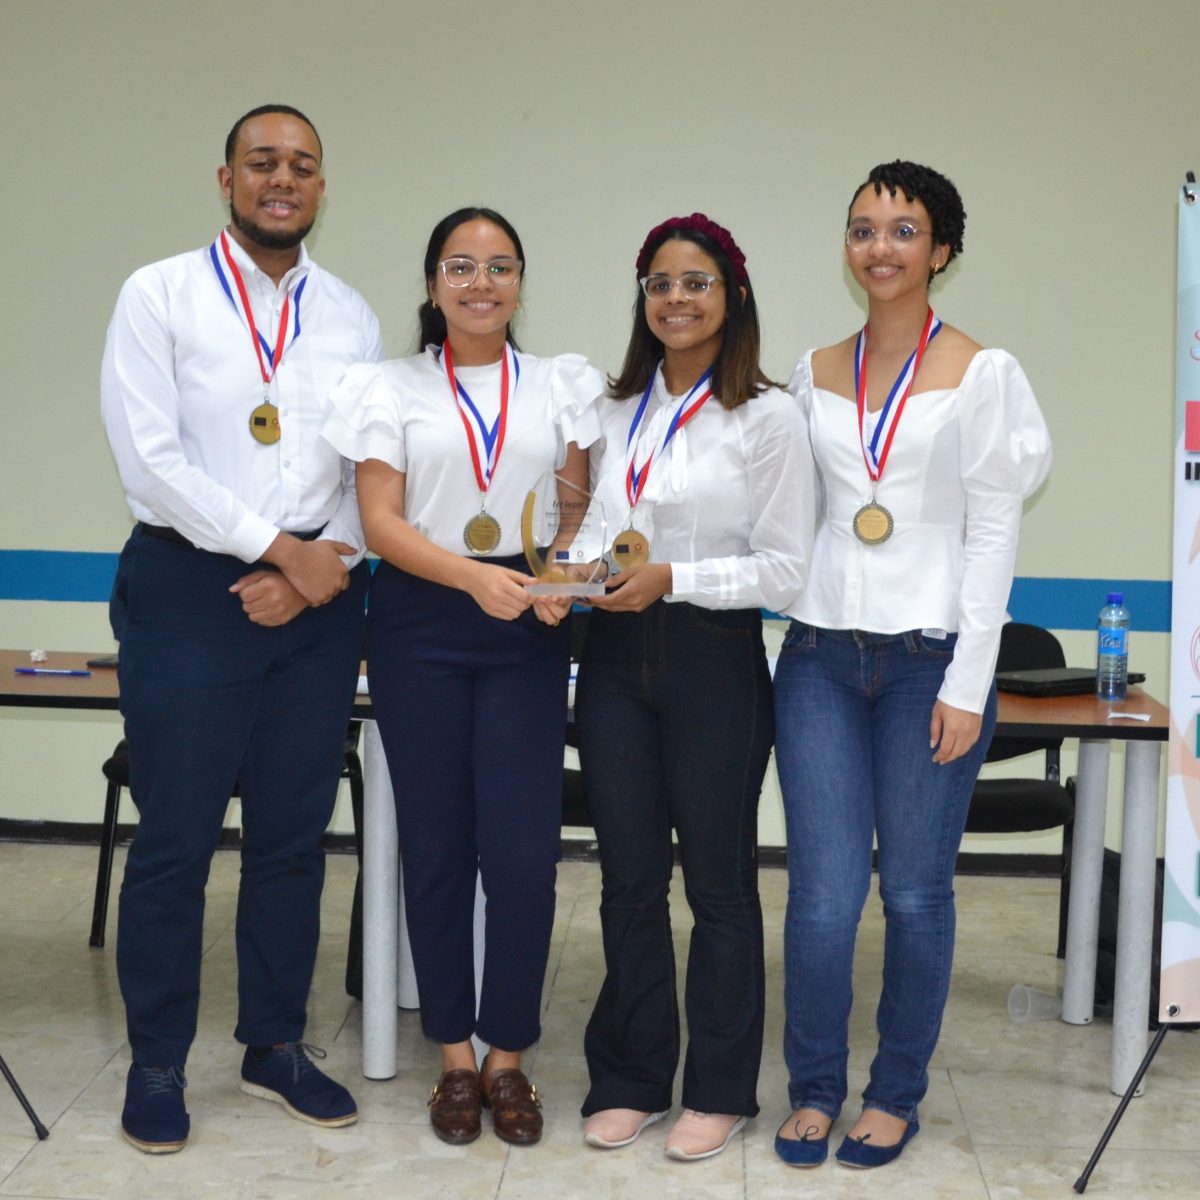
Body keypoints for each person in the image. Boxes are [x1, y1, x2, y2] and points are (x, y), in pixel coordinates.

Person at [100, 104, 382, 1154]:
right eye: (263, 162)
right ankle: (157, 1062)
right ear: (226, 179)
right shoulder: (160, 294)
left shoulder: (349, 315)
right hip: (190, 589)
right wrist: (275, 550)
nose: (282, 179)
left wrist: (319, 567)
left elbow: (368, 471)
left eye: (302, 166)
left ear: (321, 188)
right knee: (175, 841)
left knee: (292, 839)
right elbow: (150, 461)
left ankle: (274, 1044)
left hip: (317, 602)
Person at [773, 161, 1052, 1170]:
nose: (879, 247)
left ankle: (894, 1095)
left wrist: (970, 684)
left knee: (916, 894)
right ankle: (813, 1088)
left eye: (903, 230)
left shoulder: (984, 373)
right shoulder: (812, 371)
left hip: (932, 663)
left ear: (941, 251)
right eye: (863, 228)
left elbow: (993, 535)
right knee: (822, 894)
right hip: (818, 656)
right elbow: (791, 513)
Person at [322, 207, 603, 1147]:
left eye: (499, 266)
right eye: (460, 266)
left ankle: (506, 1056)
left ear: (520, 282)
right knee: (437, 849)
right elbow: (380, 523)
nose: (481, 283)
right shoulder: (387, 387)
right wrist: (473, 578)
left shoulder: (560, 383)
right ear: (433, 283)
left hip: (526, 623)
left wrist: (560, 578)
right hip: (421, 622)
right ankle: (451, 1057)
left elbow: (576, 509)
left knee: (521, 857)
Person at [576, 213, 813, 1161]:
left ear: (734, 295)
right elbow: (596, 528)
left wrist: (674, 578)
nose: (676, 299)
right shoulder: (614, 409)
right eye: (660, 283)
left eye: (697, 282)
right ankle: (631, 1076)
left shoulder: (768, 416)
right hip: (613, 658)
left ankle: (719, 1087)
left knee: (718, 885)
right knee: (628, 881)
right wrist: (570, 574)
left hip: (713, 656)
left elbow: (786, 571)